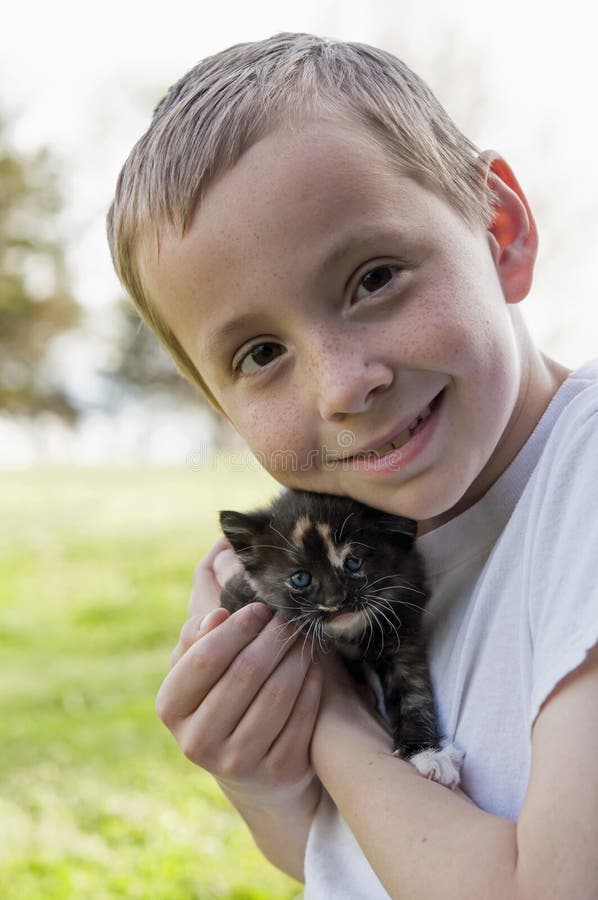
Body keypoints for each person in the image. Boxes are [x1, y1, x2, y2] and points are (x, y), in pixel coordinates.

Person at [107, 33, 598, 899]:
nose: (342, 386)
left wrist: (332, 723)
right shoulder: (345, 550)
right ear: (224, 410)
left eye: (374, 278)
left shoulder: (582, 480)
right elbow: (349, 864)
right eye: (261, 353)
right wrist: (265, 777)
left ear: (501, 232)